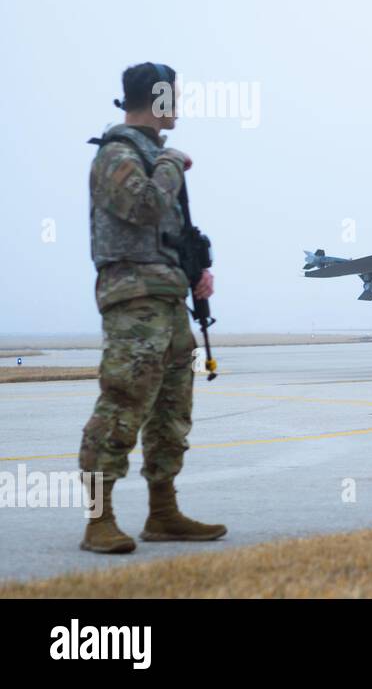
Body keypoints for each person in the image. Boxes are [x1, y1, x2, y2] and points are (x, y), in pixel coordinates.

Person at [78, 62, 226, 553]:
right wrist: (169, 166)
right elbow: (141, 207)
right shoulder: (117, 154)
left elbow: (168, 232)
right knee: (122, 403)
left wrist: (195, 273)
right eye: (174, 97)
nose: (179, 106)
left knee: (171, 411)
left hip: (168, 299)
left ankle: (163, 513)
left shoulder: (156, 156)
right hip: (133, 300)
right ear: (157, 99)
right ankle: (99, 521)